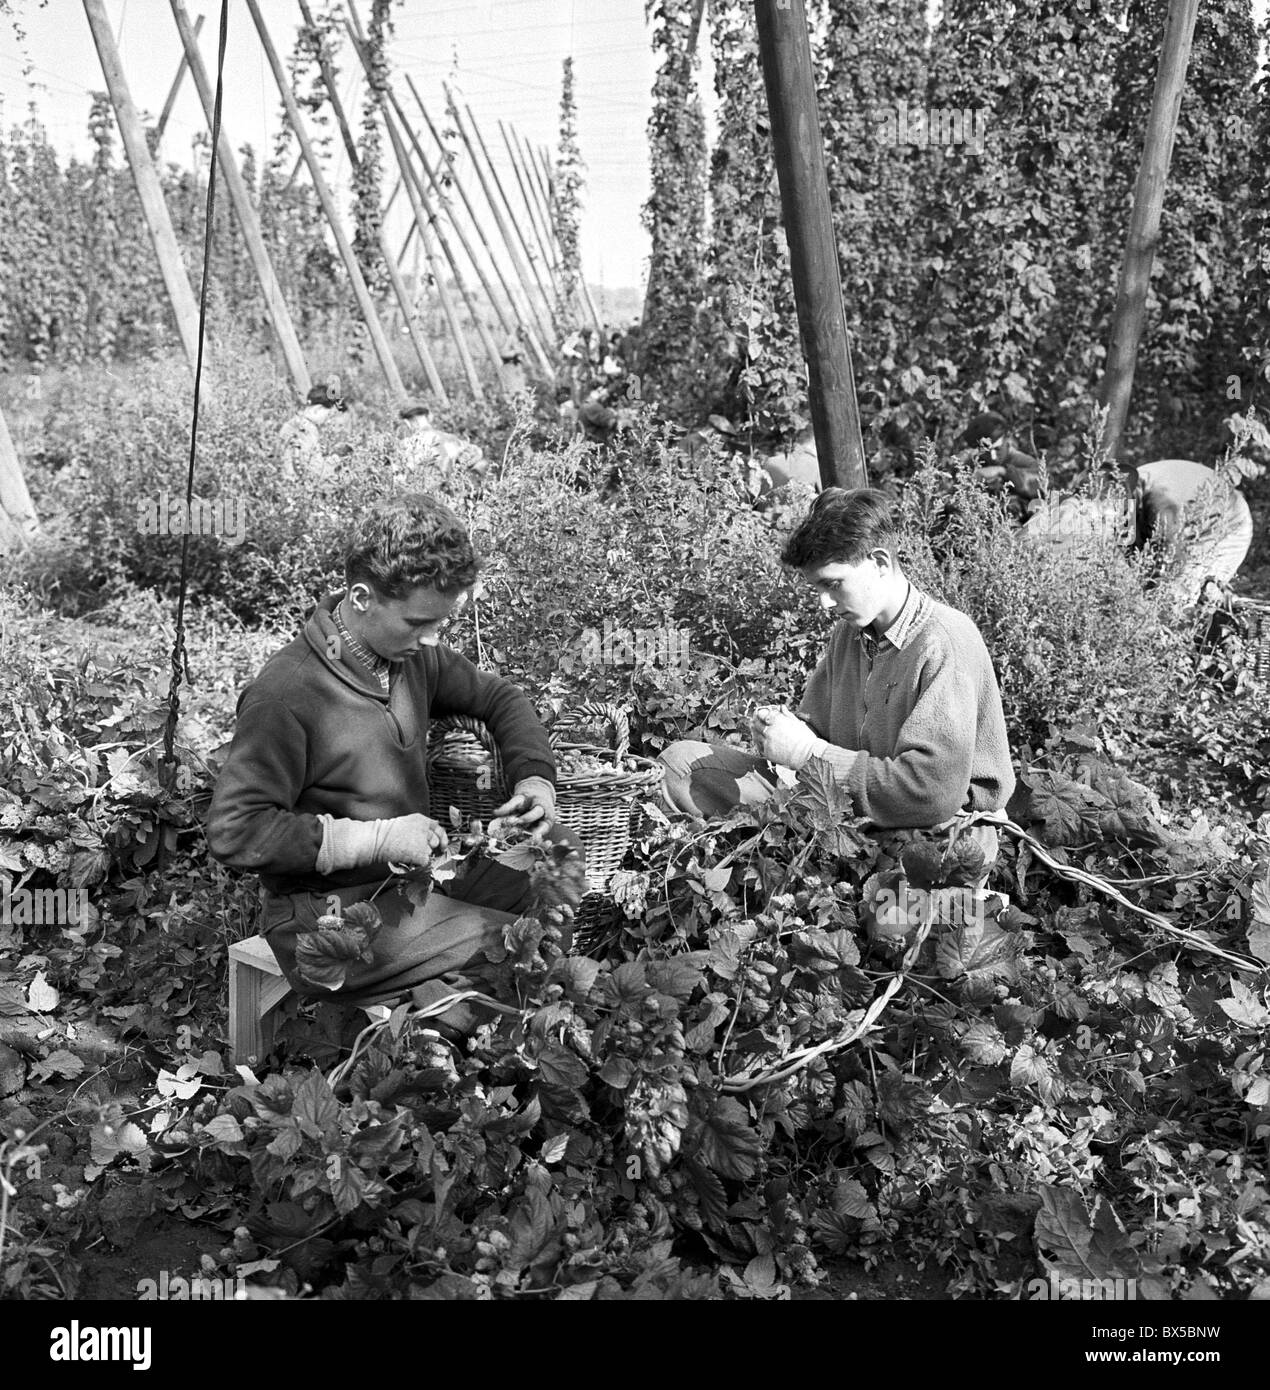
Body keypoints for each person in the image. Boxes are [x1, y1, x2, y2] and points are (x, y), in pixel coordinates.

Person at [207, 494, 583, 1035]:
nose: (431, 638)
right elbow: (236, 831)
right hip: (326, 915)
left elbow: (500, 699)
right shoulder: (286, 696)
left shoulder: (411, 657)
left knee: (554, 859)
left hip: (415, 884)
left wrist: (534, 780)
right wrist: (379, 839)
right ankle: (465, 1059)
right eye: (417, 622)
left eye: (440, 623)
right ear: (361, 598)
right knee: (515, 947)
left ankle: (468, 1020)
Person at [658, 488, 1016, 872]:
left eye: (833, 584)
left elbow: (931, 793)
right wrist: (781, 731)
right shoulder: (850, 633)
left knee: (888, 920)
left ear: (879, 562)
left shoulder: (944, 641)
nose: (824, 603)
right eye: (818, 588)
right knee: (679, 767)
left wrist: (805, 752)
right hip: (837, 812)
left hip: (935, 831)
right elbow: (816, 732)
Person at [1021, 458, 1253, 605]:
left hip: (1225, 524)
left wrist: (1146, 602)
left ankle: (1186, 657)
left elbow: (1174, 555)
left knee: (1178, 595)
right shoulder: (1122, 485)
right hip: (1187, 513)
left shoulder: (1160, 504)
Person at [958, 411, 1043, 509]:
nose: (990, 454)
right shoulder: (972, 462)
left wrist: (1002, 471)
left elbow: (1040, 482)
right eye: (983, 449)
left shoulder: (1019, 460)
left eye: (995, 448)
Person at [395, 404, 489, 485]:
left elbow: (398, 479)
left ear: (407, 423)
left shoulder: (407, 445)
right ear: (429, 417)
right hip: (456, 491)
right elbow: (477, 454)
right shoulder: (451, 439)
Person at [279, 378, 346, 481]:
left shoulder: (290, 424)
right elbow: (314, 471)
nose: (327, 421)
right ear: (318, 409)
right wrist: (336, 460)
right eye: (328, 415)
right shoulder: (308, 429)